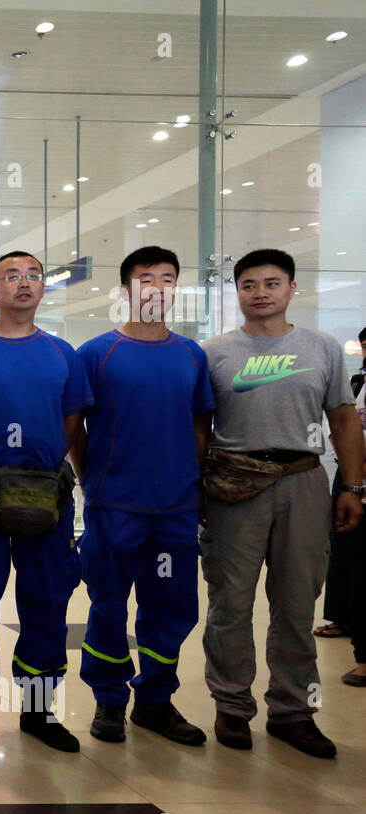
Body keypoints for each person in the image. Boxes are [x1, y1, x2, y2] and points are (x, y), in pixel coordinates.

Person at [200, 248, 363, 758]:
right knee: (231, 602)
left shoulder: (321, 347)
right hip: (233, 484)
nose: (261, 292)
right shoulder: (214, 353)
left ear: (292, 288)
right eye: (249, 284)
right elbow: (199, 428)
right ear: (238, 292)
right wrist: (195, 488)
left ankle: (293, 711)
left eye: (272, 283)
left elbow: (342, 419)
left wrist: (354, 487)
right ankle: (231, 707)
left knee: (296, 603)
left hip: (303, 480)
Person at [0, 251, 90, 753]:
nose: (24, 283)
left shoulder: (63, 354)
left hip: (46, 497)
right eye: (12, 276)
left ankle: (39, 710)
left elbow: (73, 425)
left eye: (33, 275)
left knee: (47, 600)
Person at [70, 246, 213, 745]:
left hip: (176, 508)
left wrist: (193, 486)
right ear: (126, 289)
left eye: (167, 279)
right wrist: (94, 483)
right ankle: (109, 700)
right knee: (108, 604)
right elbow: (75, 429)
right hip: (115, 507)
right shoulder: (95, 353)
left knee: (171, 605)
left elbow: (200, 427)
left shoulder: (191, 355)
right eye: (146, 278)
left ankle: (156, 700)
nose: (156, 287)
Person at [316, 326, 366, 643]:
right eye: (364, 344)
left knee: (359, 558)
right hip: (348, 472)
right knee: (342, 549)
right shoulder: (359, 382)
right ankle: (342, 617)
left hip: (357, 476)